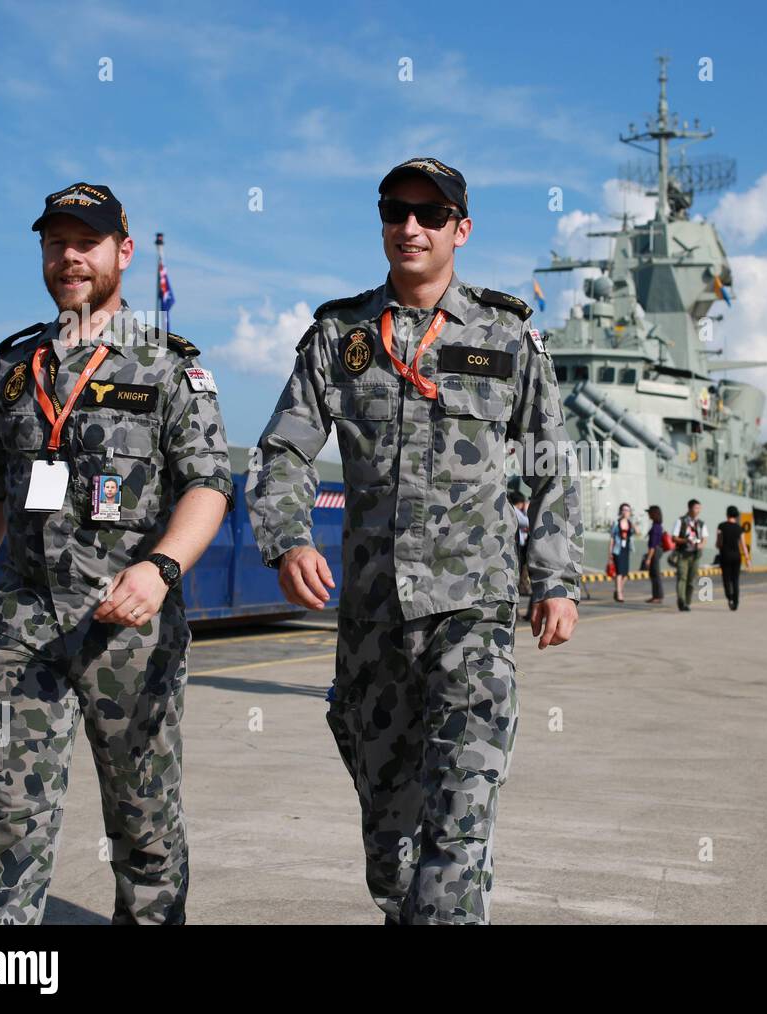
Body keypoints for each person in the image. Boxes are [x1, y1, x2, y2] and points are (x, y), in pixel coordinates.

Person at [247, 157, 582, 925]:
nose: (411, 227)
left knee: (459, 830)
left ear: (461, 229)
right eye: (397, 211)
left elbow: (549, 463)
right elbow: (284, 451)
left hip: (473, 616)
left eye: (431, 215)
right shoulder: (341, 336)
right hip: (371, 623)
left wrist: (554, 579)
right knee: (392, 855)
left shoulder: (507, 336)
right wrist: (288, 539)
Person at [0, 182, 233, 925]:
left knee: (144, 824)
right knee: (5, 818)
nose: (69, 257)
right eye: (54, 242)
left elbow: (210, 485)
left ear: (122, 253)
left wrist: (161, 569)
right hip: (21, 627)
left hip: (129, 632)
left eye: (86, 242)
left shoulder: (168, 368)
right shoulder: (11, 371)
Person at [673, 499, 707, 611]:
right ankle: (681, 601)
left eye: (699, 508)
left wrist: (700, 545)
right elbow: (674, 538)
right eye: (696, 508)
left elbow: (704, 539)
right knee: (682, 577)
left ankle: (687, 602)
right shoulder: (681, 521)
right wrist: (685, 541)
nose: (698, 510)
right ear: (690, 508)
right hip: (683, 554)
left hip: (695, 555)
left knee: (691, 580)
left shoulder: (701, 524)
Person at [715, 505, 751, 610]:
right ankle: (736, 602)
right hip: (736, 557)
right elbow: (743, 545)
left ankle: (729, 598)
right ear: (736, 515)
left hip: (725, 556)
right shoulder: (739, 528)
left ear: (727, 514)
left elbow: (718, 544)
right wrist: (747, 560)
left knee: (726, 579)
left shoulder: (721, 526)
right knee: (735, 580)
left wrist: (719, 542)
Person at [509, 489, 535, 619]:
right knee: (517, 580)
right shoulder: (513, 510)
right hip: (518, 549)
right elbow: (528, 523)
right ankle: (517, 612)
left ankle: (519, 612)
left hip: (521, 548)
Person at [608, 502, 636, 603]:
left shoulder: (630, 523)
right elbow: (612, 538)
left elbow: (637, 533)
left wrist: (632, 523)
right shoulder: (616, 523)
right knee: (619, 572)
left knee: (625, 573)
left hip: (626, 549)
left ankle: (618, 590)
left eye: (627, 510)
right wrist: (610, 553)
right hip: (617, 550)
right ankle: (620, 593)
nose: (625, 512)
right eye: (624, 510)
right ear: (620, 511)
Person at [643, 505, 664, 604]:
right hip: (656, 550)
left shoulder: (656, 527)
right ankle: (655, 595)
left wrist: (648, 558)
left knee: (655, 574)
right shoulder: (657, 526)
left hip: (654, 551)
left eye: (649, 512)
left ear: (654, 514)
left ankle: (658, 596)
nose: (648, 514)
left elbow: (653, 545)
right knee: (653, 574)